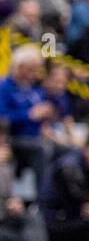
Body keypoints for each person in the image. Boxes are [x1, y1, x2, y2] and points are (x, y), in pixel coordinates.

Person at [0, 45, 54, 185]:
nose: (35, 73)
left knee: (67, 151)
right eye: (31, 69)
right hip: (15, 138)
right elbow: (3, 118)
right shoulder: (5, 88)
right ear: (20, 67)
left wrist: (47, 122)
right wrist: (29, 115)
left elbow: (45, 116)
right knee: (41, 149)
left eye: (36, 69)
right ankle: (43, 201)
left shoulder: (36, 89)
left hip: (36, 137)